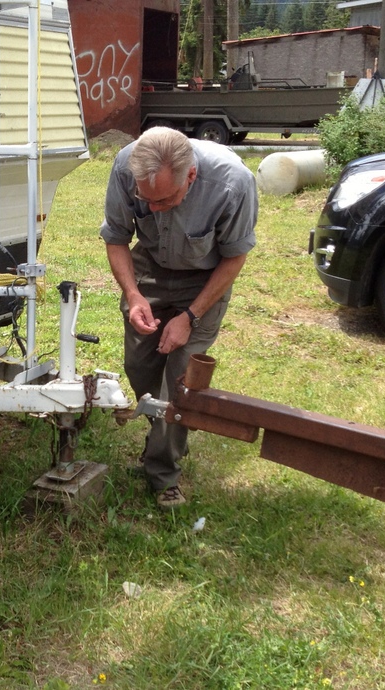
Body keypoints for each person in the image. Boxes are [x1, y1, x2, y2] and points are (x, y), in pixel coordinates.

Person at [100, 127, 258, 509]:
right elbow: (117, 238)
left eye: (166, 199)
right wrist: (134, 294)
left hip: (204, 280)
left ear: (190, 176)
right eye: (146, 200)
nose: (154, 209)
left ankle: (163, 472)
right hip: (150, 267)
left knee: (180, 382)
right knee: (139, 365)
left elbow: (234, 257)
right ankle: (162, 432)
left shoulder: (233, 182)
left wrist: (190, 316)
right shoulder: (126, 166)